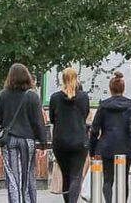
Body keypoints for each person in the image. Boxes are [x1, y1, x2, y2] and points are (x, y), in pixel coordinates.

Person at [0, 63, 47, 203]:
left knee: (13, 177)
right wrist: (43, 143)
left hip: (9, 140)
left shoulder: (3, 95)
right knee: (28, 175)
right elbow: (38, 121)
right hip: (27, 141)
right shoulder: (32, 96)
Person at [89, 71, 131, 203]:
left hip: (106, 147)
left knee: (107, 179)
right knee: (123, 179)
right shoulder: (130, 106)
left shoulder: (103, 106)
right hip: (125, 147)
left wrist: (93, 150)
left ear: (110, 89)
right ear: (123, 89)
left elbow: (95, 129)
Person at [49, 67, 90, 203]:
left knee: (66, 176)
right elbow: (84, 115)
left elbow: (52, 119)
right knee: (76, 176)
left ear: (62, 79)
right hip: (79, 141)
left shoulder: (55, 98)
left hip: (60, 142)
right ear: (76, 79)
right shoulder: (83, 97)